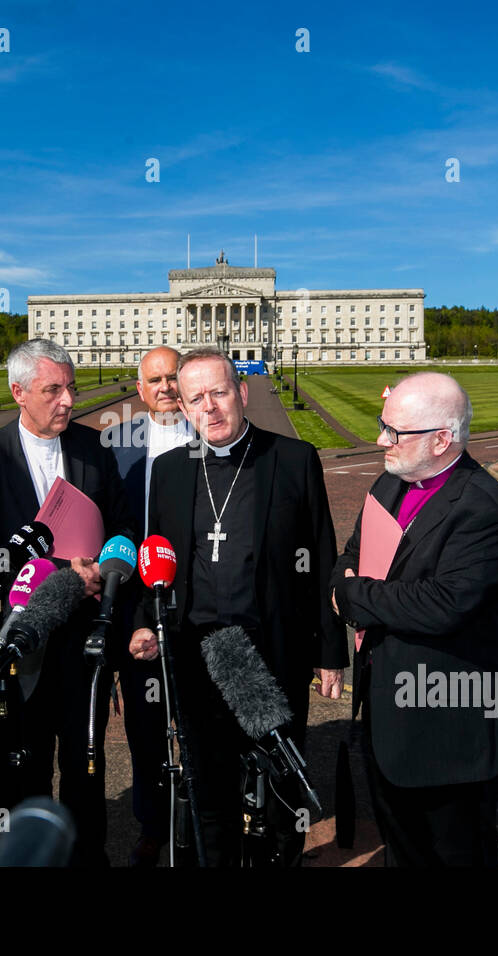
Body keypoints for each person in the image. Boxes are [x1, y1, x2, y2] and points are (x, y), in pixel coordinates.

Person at [129, 349, 346, 866]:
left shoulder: (294, 460)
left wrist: (331, 651)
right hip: (197, 652)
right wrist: (144, 622)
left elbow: (321, 557)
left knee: (283, 786)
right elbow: (156, 558)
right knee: (210, 787)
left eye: (220, 392)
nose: (211, 407)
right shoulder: (169, 471)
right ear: (183, 407)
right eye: (196, 398)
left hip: (272, 650)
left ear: (242, 393)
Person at [0, 338, 136, 866]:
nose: (67, 400)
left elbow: (122, 525)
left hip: (83, 640)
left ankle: (86, 856)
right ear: (18, 392)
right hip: (21, 640)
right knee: (22, 764)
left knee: (86, 760)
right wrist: (61, 574)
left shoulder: (92, 449)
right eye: (52, 389)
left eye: (70, 388)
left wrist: (107, 566)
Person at [329, 371, 498, 867]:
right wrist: (352, 588)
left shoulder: (486, 507)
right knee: (403, 851)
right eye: (382, 425)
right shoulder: (389, 482)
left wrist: (353, 596)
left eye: (394, 432)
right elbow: (348, 557)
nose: (380, 440)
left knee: (453, 856)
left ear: (442, 439)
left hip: (446, 732)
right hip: (385, 717)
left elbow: (442, 605)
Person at [100, 346, 194, 867]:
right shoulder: (114, 448)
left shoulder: (212, 437)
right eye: (154, 379)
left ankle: (205, 818)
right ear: (140, 390)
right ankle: (154, 825)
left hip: (202, 608)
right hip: (138, 613)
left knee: (204, 724)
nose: (165, 387)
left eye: (173, 377)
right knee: (146, 728)